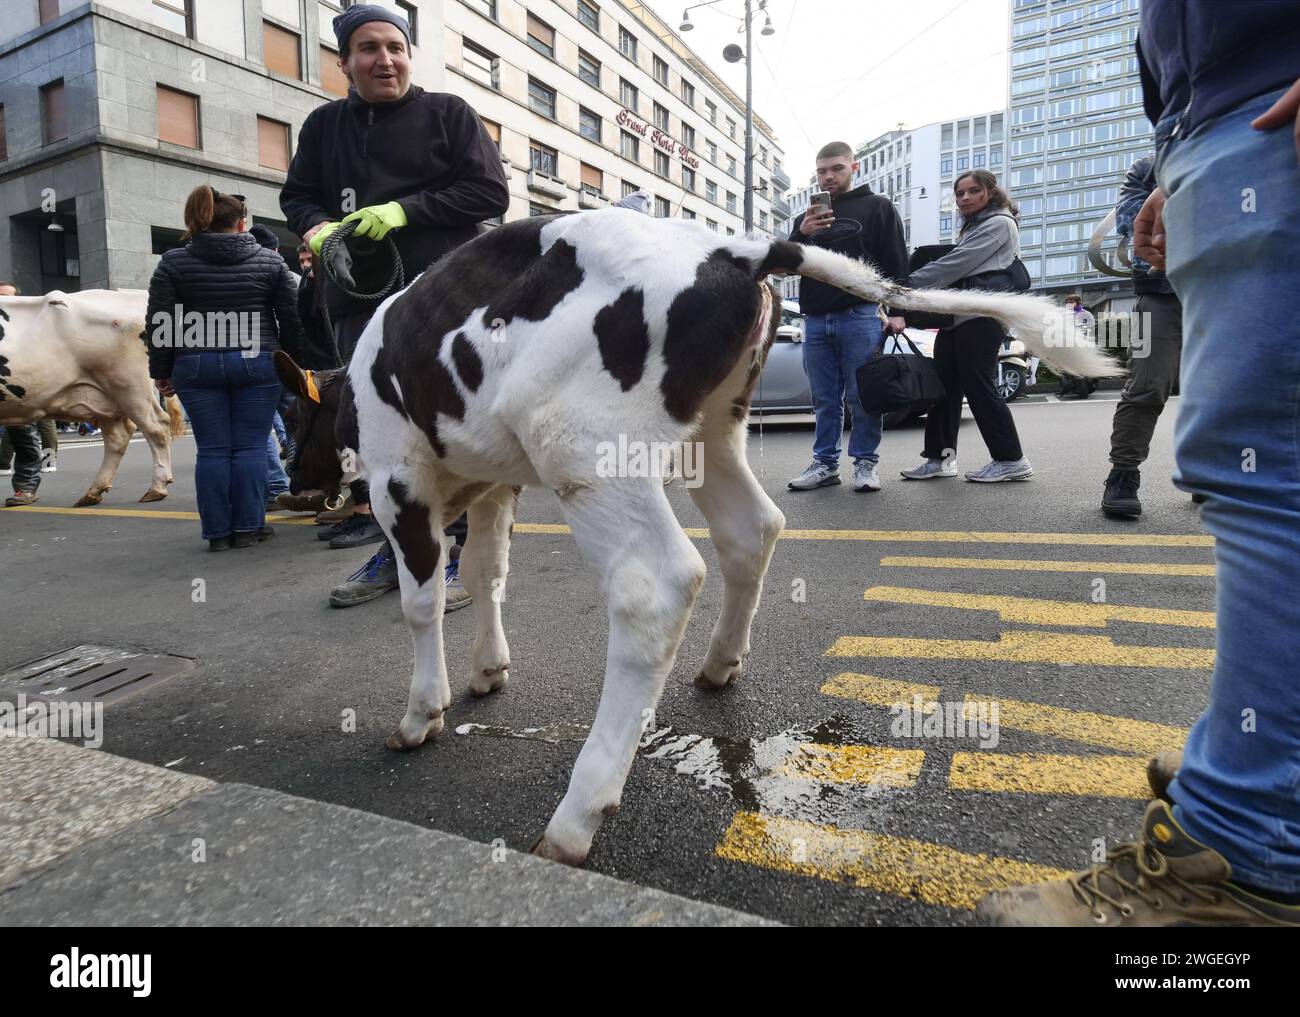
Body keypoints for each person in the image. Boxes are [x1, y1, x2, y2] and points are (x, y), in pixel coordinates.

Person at [980, 0, 1300, 927]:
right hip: (1223, 119)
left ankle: (1247, 853)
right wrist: (1175, 151)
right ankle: (1263, 757)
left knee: (1267, 469)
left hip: (1264, 107)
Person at [280, 3, 508, 608]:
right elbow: (296, 196)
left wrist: (405, 211)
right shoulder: (323, 126)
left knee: (446, 428)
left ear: (409, 54)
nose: (385, 59)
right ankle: (399, 547)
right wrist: (317, 229)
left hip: (443, 299)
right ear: (345, 62)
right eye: (369, 49)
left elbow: (489, 192)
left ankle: (456, 553)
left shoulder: (448, 114)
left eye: (395, 47)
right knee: (381, 436)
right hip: (357, 298)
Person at [144, 184, 304, 550]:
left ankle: (218, 534)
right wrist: (293, 364)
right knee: (250, 447)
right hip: (257, 359)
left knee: (213, 450)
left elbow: (160, 320)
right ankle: (249, 528)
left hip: (196, 363)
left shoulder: (173, 261)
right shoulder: (271, 260)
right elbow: (291, 319)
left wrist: (162, 370)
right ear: (242, 222)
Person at [786, 141, 908, 494]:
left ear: (854, 168)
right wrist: (801, 234)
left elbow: (897, 262)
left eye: (837, 168)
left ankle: (865, 464)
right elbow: (787, 264)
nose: (828, 177)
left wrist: (898, 311)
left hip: (860, 314)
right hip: (815, 317)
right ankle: (824, 464)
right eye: (822, 171)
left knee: (861, 395)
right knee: (824, 399)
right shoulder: (805, 217)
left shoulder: (879, 207)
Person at [897, 171, 1033, 483]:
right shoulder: (975, 226)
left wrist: (906, 283)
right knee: (944, 387)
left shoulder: (1000, 222)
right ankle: (941, 459)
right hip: (959, 317)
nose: (965, 198)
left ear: (991, 192)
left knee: (979, 385)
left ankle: (1011, 459)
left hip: (982, 317)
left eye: (974, 191)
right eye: (960, 193)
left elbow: (956, 263)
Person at [1100, 155, 1183, 517]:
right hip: (1160, 290)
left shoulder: (1239, 145)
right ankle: (1123, 474)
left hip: (1229, 288)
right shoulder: (1148, 167)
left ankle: (1208, 473)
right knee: (1147, 385)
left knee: (1224, 392)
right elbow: (1129, 220)